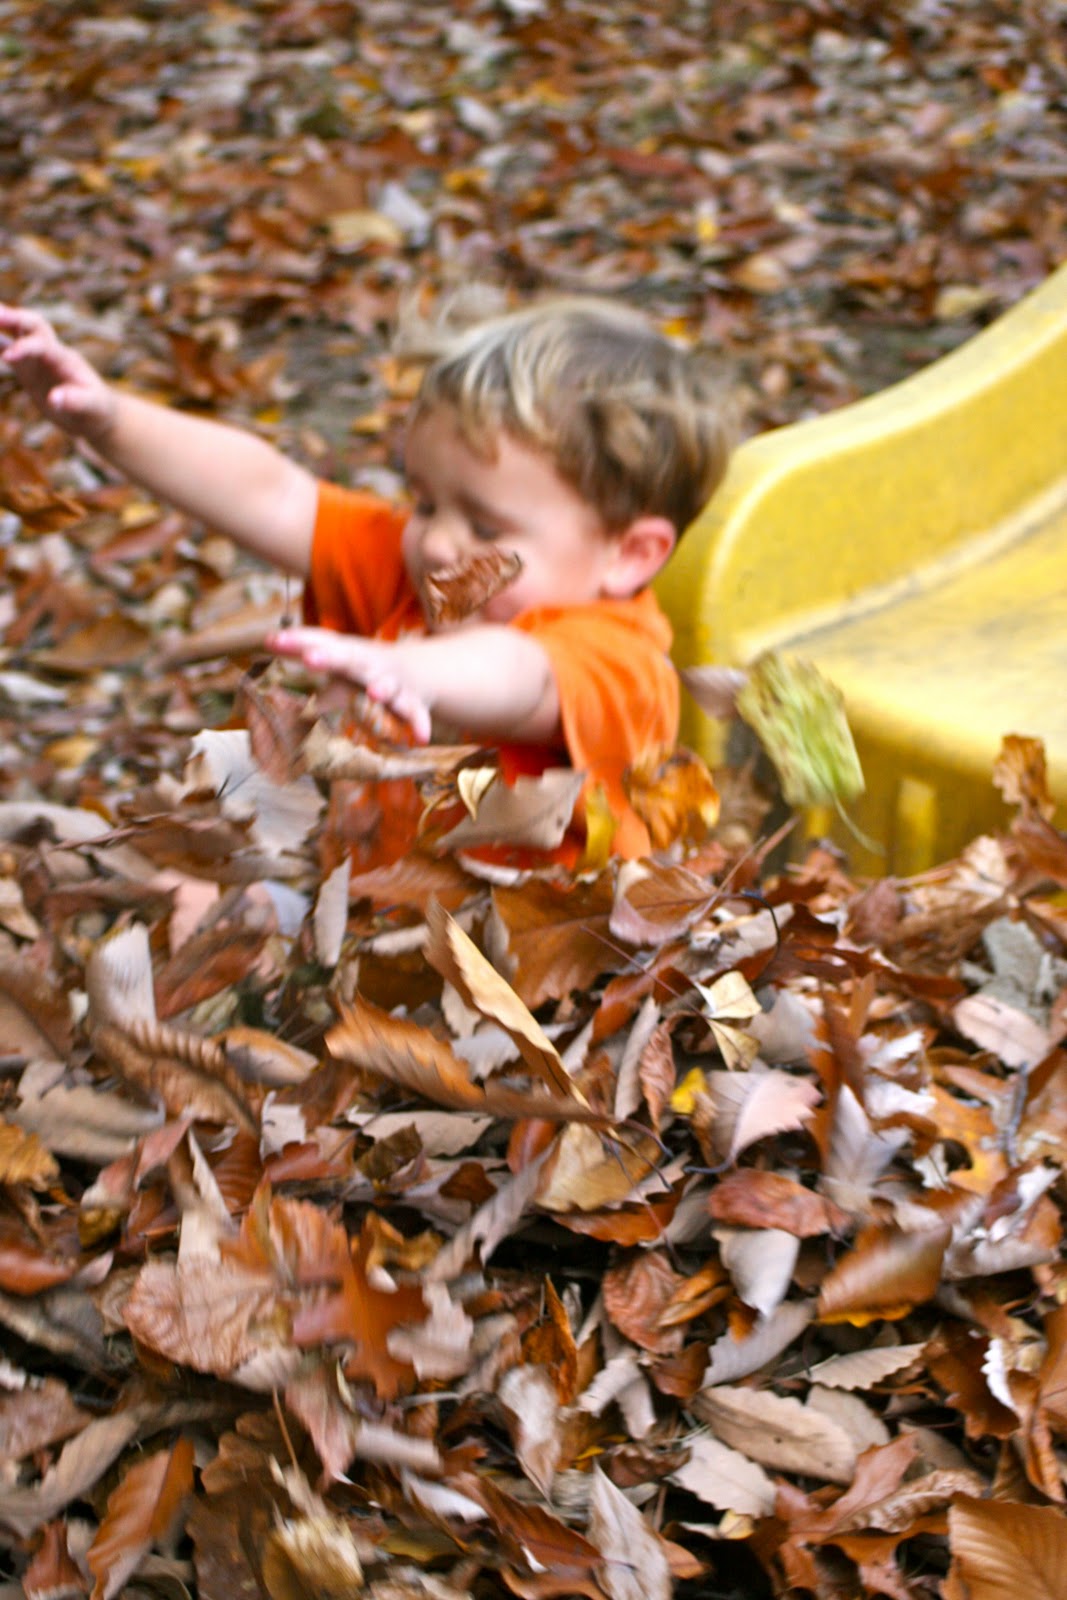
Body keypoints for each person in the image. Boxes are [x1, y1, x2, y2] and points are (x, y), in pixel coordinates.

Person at [0, 296, 733, 866]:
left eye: (485, 528)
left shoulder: (621, 659)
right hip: (386, 932)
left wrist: (404, 667)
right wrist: (109, 420)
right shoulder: (424, 571)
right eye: (424, 500)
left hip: (547, 1000)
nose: (438, 539)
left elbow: (527, 677)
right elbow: (275, 495)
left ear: (629, 555)